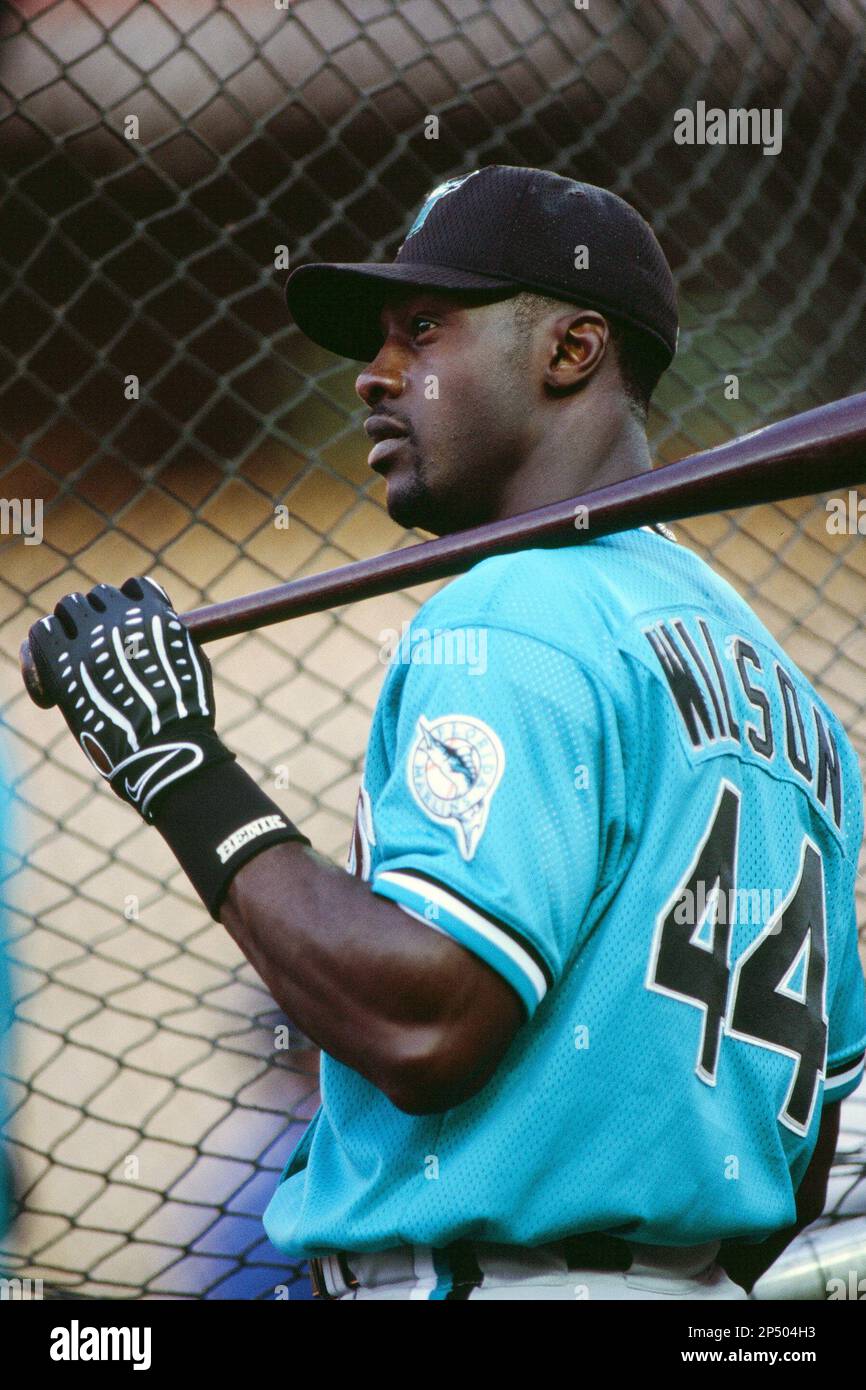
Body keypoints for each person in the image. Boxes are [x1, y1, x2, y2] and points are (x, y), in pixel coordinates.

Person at [27, 167, 866, 1301]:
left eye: (422, 329)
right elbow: (823, 1144)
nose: (374, 376)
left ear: (570, 352)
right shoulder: (784, 697)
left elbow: (424, 1018)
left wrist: (178, 766)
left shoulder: (511, 611)